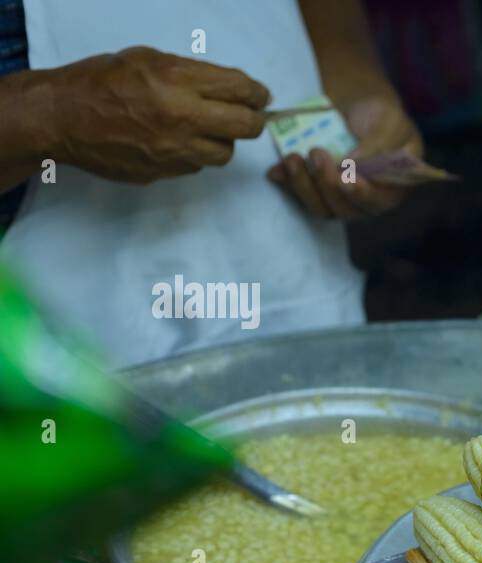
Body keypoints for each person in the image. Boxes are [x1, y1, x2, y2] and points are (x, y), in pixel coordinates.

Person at [0, 0, 423, 367]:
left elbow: (330, 22)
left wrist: (354, 87)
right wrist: (52, 114)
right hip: (54, 362)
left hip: (289, 288)